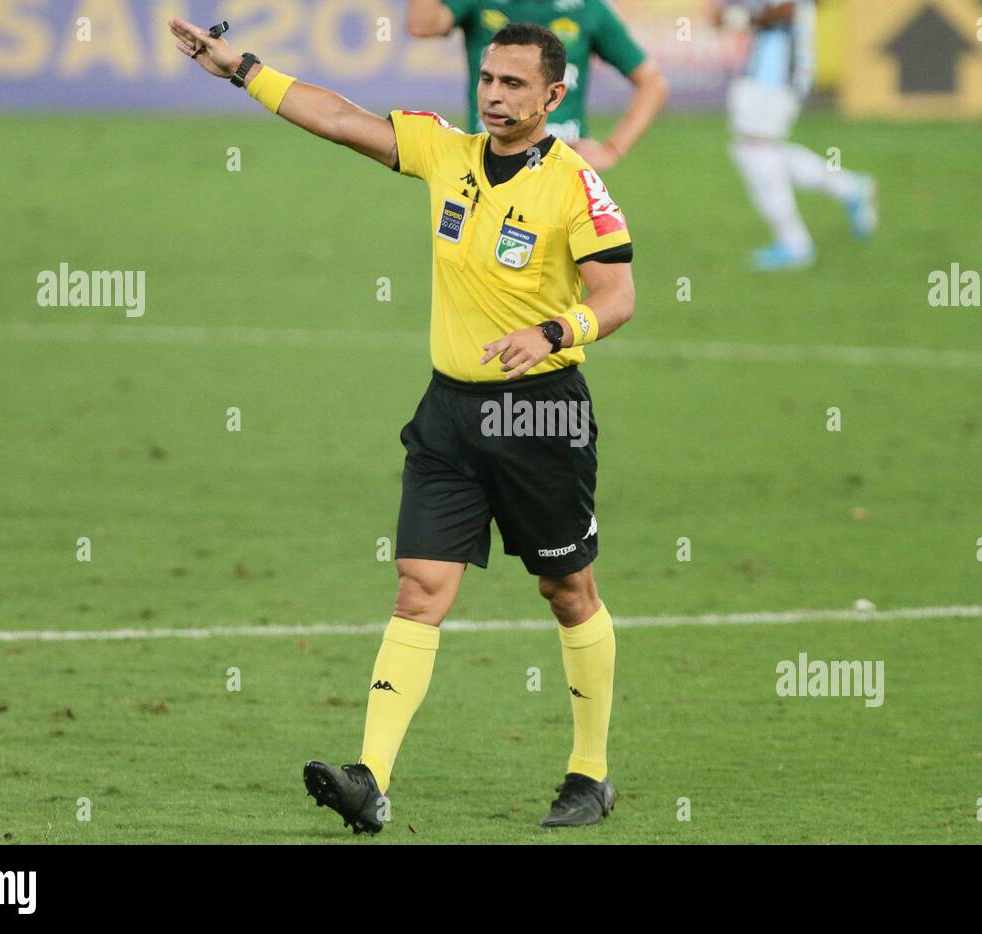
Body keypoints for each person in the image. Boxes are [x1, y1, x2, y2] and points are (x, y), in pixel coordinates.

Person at [168, 17, 636, 834]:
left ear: (553, 95)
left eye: (514, 84)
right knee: (419, 590)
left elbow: (618, 296)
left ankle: (590, 774)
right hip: (449, 415)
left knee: (568, 592)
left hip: (543, 415)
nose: (493, 95)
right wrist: (242, 69)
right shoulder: (443, 151)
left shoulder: (574, 184)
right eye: (487, 79)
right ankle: (369, 780)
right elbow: (340, 118)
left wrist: (557, 332)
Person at [407, 0, 668, 171]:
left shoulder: (588, 8)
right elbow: (422, 24)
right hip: (490, 159)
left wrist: (612, 150)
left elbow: (652, 83)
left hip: (561, 164)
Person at [712, 0, 877, 270]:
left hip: (778, 73)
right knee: (762, 149)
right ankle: (850, 188)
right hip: (766, 70)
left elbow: (788, 9)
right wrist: (734, 15)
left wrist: (741, 16)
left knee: (753, 149)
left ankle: (793, 243)